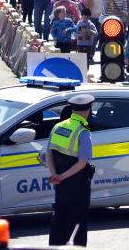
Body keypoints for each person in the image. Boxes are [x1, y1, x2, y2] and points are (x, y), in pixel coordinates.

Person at [46, 93, 95, 247]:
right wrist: (62, 176)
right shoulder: (83, 131)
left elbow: (48, 153)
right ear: (87, 111)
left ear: (73, 110)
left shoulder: (58, 127)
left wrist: (55, 175)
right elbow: (82, 163)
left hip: (60, 186)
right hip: (77, 184)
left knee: (59, 218)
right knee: (77, 223)